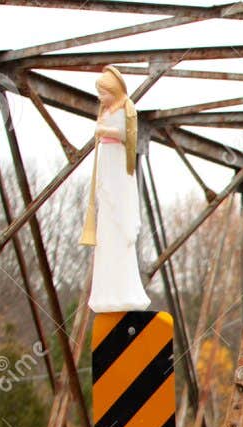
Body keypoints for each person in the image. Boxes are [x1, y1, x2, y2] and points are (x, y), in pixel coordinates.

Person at [80, 65, 151, 314]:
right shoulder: (108, 109)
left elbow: (125, 133)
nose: (101, 98)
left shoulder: (124, 109)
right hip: (107, 167)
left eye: (104, 92)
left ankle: (122, 289)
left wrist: (103, 130)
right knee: (107, 229)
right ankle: (107, 291)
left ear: (114, 90)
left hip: (117, 169)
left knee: (117, 225)